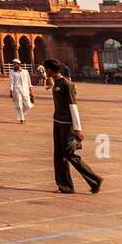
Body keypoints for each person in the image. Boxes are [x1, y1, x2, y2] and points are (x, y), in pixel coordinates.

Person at [43, 59, 102, 194]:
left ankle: (95, 180)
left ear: (50, 70)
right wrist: (47, 83)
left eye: (46, 69)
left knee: (68, 154)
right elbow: (50, 88)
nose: (45, 72)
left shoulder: (66, 84)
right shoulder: (57, 83)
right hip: (57, 121)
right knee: (59, 155)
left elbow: (73, 106)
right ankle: (65, 186)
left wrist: (78, 128)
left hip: (67, 124)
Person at [8, 59, 34, 123]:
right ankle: (21, 118)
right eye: (13, 64)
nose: (14, 65)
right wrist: (11, 91)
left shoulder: (25, 72)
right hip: (16, 90)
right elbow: (11, 82)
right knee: (19, 105)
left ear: (19, 64)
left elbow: (29, 82)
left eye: (15, 64)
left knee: (28, 105)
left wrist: (31, 91)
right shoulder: (12, 72)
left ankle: (21, 113)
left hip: (25, 90)